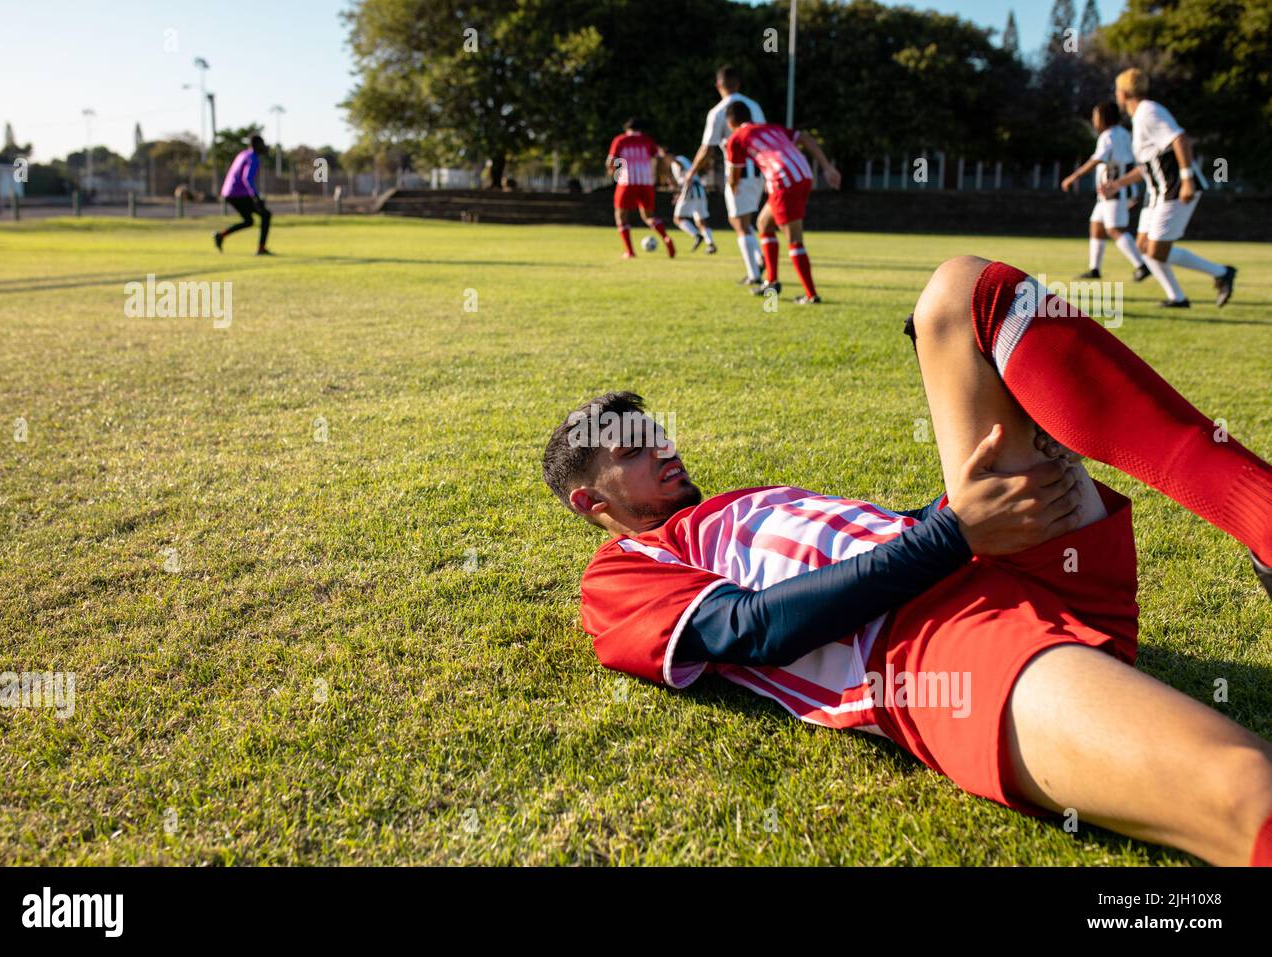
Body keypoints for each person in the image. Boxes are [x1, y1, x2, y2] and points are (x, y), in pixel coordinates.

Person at [542, 255, 1272, 866]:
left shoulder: (737, 501)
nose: (663, 452)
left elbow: (898, 536)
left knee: (958, 296)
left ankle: (1261, 516)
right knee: (1245, 790)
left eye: (657, 435)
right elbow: (752, 628)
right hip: (931, 652)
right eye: (633, 452)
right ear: (588, 501)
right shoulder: (619, 573)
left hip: (1005, 559)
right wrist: (950, 533)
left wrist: (958, 499)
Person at [1099, 69, 1235, 308]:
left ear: (1123, 93)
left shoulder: (1148, 112)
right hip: (1158, 193)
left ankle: (1222, 272)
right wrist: (1117, 185)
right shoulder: (1140, 117)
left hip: (1174, 190)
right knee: (1143, 247)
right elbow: (1147, 166)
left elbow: (1180, 139)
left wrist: (1187, 179)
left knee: (1157, 250)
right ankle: (1178, 298)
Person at [724, 102, 841, 305]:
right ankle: (772, 282)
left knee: (794, 239)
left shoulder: (736, 138)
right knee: (763, 224)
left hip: (784, 180)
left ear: (731, 122)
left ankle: (811, 295)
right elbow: (804, 137)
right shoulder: (771, 128)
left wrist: (732, 188)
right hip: (803, 174)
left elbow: (735, 173)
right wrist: (827, 166)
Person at [688, 66, 766, 286]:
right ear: (738, 83)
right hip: (760, 170)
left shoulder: (718, 111)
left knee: (738, 222)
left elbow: (707, 148)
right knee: (747, 221)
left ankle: (755, 273)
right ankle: (760, 257)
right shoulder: (754, 106)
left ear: (718, 85)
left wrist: (691, 172)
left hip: (739, 171)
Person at [1060, 101, 1148, 282]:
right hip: (1111, 191)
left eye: (1095, 116)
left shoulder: (1108, 136)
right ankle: (1095, 269)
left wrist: (1074, 176)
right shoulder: (1124, 133)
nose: (1093, 120)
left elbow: (1097, 159)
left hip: (1113, 189)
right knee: (1096, 226)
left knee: (1115, 229)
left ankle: (1142, 265)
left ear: (1104, 118)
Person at [605, 118, 674, 259]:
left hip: (626, 182)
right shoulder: (648, 141)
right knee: (648, 216)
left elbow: (611, 162)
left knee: (621, 216)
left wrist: (614, 173)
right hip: (646, 182)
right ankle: (666, 238)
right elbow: (659, 160)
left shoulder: (620, 140)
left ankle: (630, 251)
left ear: (627, 129)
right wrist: (662, 177)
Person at [214, 134, 273, 256]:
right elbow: (247, 178)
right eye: (262, 144)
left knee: (249, 221)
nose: (264, 147)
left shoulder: (243, 154)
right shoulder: (253, 158)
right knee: (266, 215)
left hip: (229, 192)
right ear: (256, 145)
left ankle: (221, 235)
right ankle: (261, 249)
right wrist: (256, 196)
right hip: (238, 193)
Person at [668, 155, 716, 253]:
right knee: (701, 220)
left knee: (678, 219)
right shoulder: (683, 159)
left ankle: (697, 236)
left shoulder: (676, 161)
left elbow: (684, 173)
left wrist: (683, 194)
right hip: (700, 191)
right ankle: (711, 244)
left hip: (691, 191)